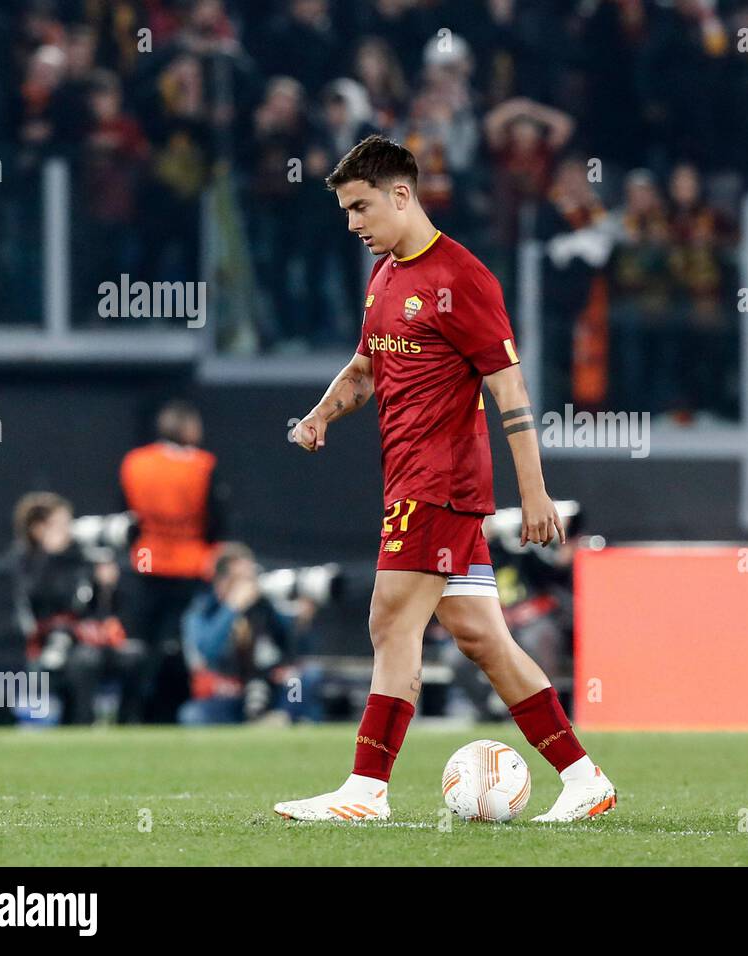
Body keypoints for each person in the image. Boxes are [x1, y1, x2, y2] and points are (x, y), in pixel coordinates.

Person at [273, 135, 615, 823]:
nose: (353, 224)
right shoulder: (385, 277)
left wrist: (535, 493)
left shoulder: (463, 277)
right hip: (410, 480)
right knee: (483, 637)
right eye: (345, 211)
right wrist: (319, 416)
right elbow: (367, 368)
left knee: (389, 619)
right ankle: (584, 780)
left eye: (361, 207)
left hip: (439, 486)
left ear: (402, 194)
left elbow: (509, 391)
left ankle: (366, 791)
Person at [119, 399, 227, 723]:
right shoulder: (203, 466)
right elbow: (215, 521)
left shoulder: (135, 462)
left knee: (140, 645)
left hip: (145, 563)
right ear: (188, 428)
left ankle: (133, 713)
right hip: (190, 565)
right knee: (183, 647)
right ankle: (175, 712)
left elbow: (126, 517)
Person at [12, 492, 144, 724]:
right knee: (87, 660)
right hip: (52, 644)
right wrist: (52, 556)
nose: (68, 530)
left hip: (91, 638)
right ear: (38, 529)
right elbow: (41, 599)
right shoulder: (27, 561)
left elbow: (106, 607)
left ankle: (128, 722)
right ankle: (83, 723)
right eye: (60, 524)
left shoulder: (82, 556)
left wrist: (107, 585)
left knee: (135, 655)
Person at [179, 543, 317, 725]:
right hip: (229, 695)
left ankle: (281, 720)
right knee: (193, 715)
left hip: (269, 688)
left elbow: (293, 648)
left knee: (305, 679)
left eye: (252, 578)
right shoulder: (202, 612)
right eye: (241, 579)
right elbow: (209, 652)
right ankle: (256, 727)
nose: (250, 585)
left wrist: (300, 621)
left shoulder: (264, 606)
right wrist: (232, 608)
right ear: (221, 582)